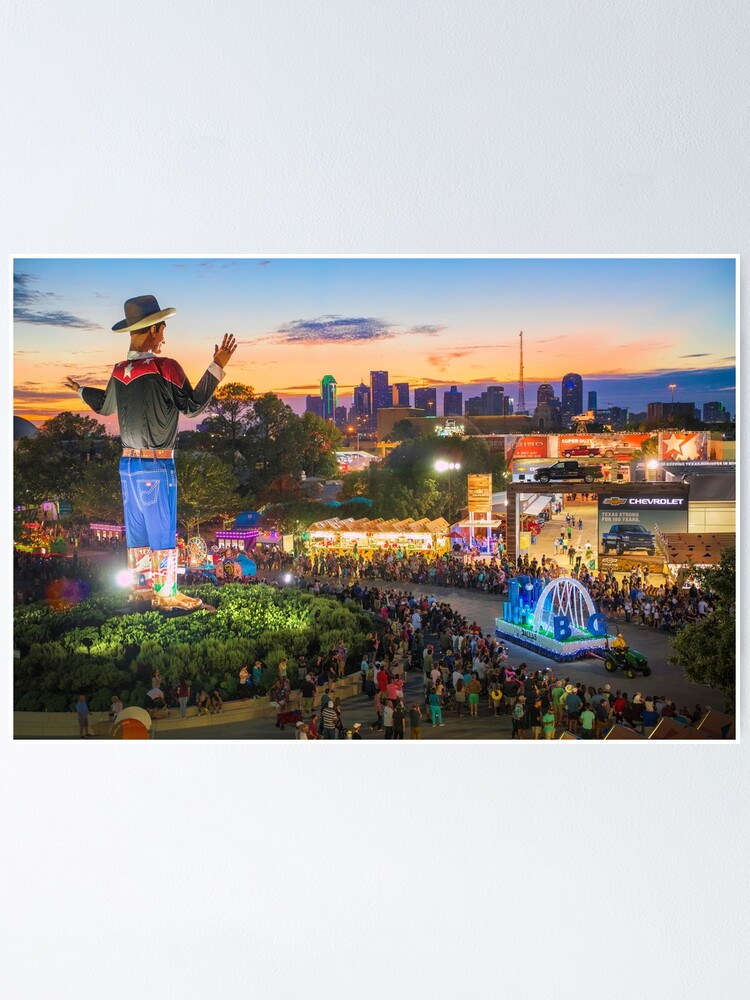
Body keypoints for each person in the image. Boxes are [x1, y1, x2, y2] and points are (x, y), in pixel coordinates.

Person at [66, 294, 237, 610]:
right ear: (154, 329)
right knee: (162, 531)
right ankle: (167, 594)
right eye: (163, 329)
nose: (164, 336)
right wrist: (217, 366)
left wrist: (79, 390)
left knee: (138, 530)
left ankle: (142, 591)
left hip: (126, 466)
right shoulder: (165, 367)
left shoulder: (120, 370)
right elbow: (193, 405)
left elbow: (103, 406)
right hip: (157, 465)